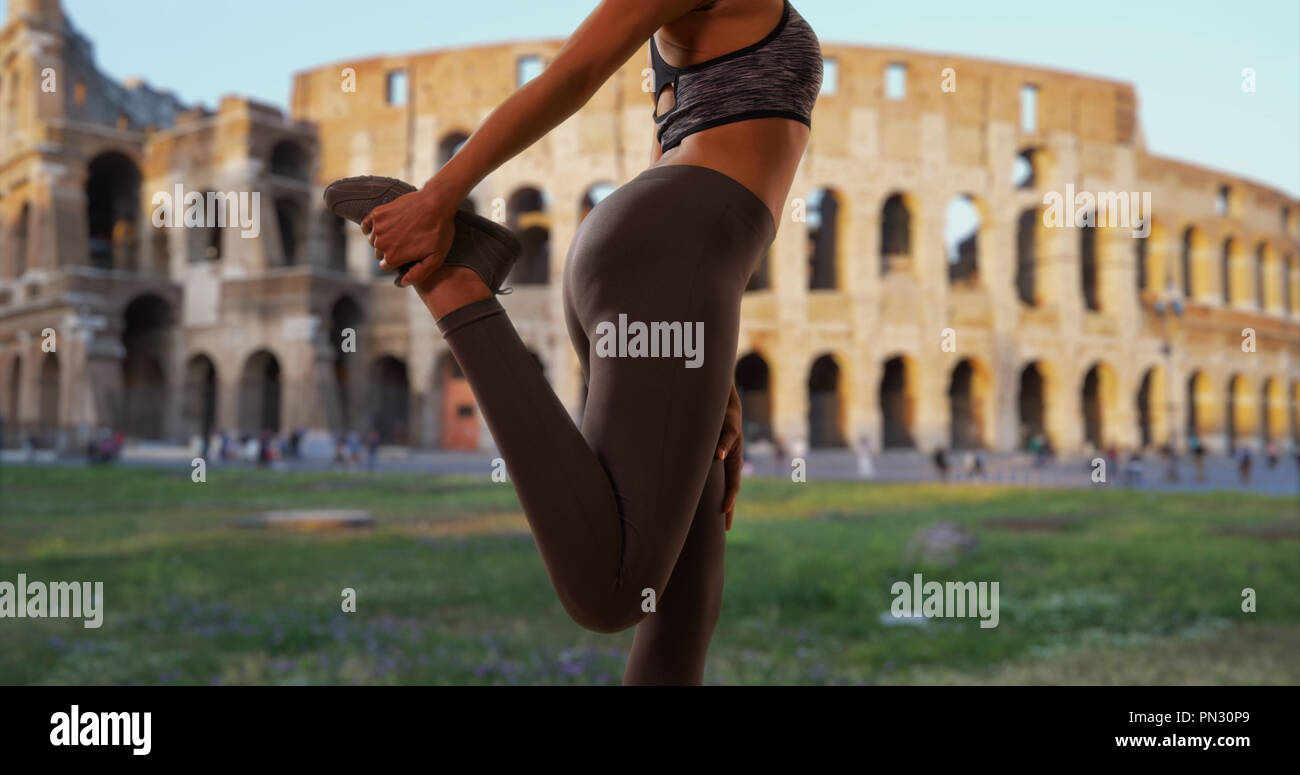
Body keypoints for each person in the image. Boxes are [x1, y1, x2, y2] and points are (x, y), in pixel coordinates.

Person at [329, 0, 822, 685]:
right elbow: (578, 69)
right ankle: (459, 286)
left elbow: (673, 146)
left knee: (683, 598)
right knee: (611, 587)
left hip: (668, 266)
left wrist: (713, 367)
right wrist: (439, 198)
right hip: (661, 254)